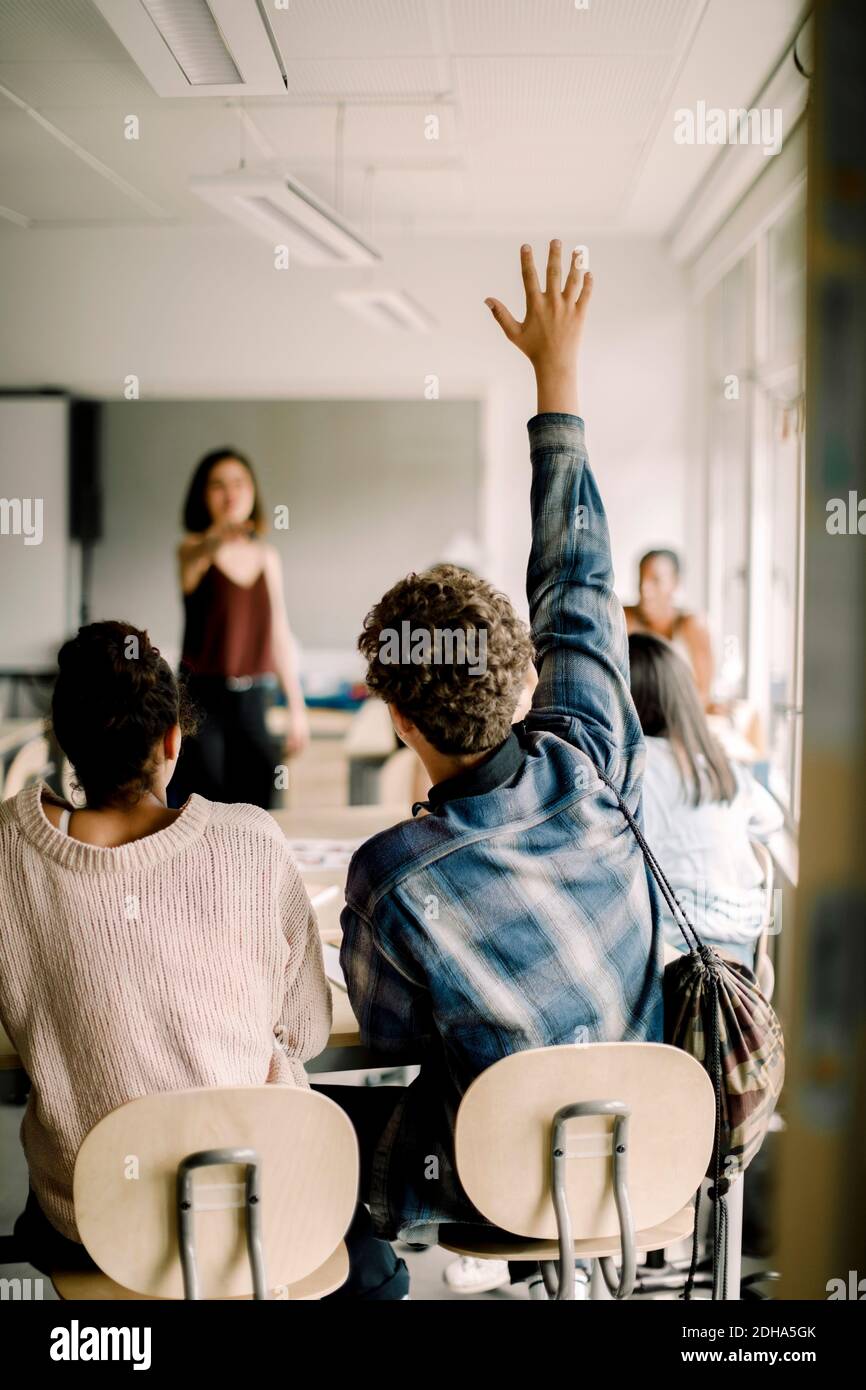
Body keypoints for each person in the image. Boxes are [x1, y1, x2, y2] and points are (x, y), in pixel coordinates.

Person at [314, 242, 663, 1297]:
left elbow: (388, 1041)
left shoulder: (391, 875)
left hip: (491, 1174)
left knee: (315, 1139)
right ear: (522, 680)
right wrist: (555, 377)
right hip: (646, 1150)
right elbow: (578, 573)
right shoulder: (593, 751)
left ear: (398, 722)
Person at [0, 621, 407, 1299]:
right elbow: (305, 1033)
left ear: (64, 742)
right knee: (373, 1267)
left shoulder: (11, 848)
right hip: (257, 1198)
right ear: (172, 740)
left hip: (96, 1217)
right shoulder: (250, 839)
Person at [627, 631, 784, 969]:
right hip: (743, 961)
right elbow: (772, 820)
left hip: (677, 961)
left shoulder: (638, 763)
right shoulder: (716, 763)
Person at [172, 448, 309, 810]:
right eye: (217, 485)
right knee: (204, 803)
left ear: (252, 492)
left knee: (261, 801)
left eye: (238, 483)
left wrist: (297, 707)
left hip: (254, 699)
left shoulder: (267, 556)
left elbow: (279, 631)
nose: (230, 493)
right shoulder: (191, 551)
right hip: (199, 701)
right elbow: (200, 553)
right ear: (203, 496)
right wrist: (221, 534)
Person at [624, 548, 714, 707]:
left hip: (681, 717)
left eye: (655, 580)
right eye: (641, 579)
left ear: (675, 583)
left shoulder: (693, 626)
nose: (644, 589)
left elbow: (703, 693)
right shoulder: (622, 618)